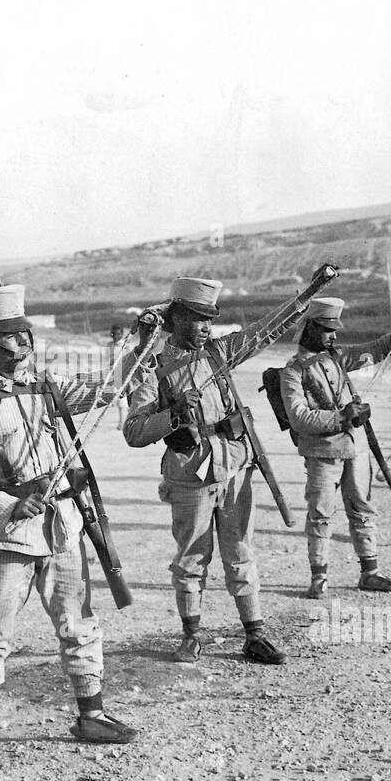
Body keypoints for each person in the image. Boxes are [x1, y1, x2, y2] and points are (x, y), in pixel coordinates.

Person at [0, 283, 151, 757]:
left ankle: (91, 715)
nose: (20, 348)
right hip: (8, 539)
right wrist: (10, 504)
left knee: (78, 623)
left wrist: (140, 345)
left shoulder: (52, 391)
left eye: (24, 336)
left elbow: (110, 386)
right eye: (7, 339)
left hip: (64, 529)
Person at [123, 276, 286, 666]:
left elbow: (266, 331)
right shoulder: (149, 365)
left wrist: (307, 296)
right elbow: (134, 431)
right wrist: (174, 415)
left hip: (235, 465)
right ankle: (192, 635)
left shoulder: (219, 352)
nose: (205, 328)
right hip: (189, 474)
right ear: (175, 318)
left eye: (209, 320)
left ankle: (255, 634)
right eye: (196, 319)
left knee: (241, 551)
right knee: (192, 557)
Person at [280, 296, 391, 599]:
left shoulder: (338, 357)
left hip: (356, 450)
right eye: (326, 329)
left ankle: (370, 573)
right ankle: (319, 577)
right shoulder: (292, 371)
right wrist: (342, 416)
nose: (333, 335)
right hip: (323, 454)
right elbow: (298, 418)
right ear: (309, 328)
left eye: (334, 329)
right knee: (321, 514)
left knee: (363, 508)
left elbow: (376, 350)